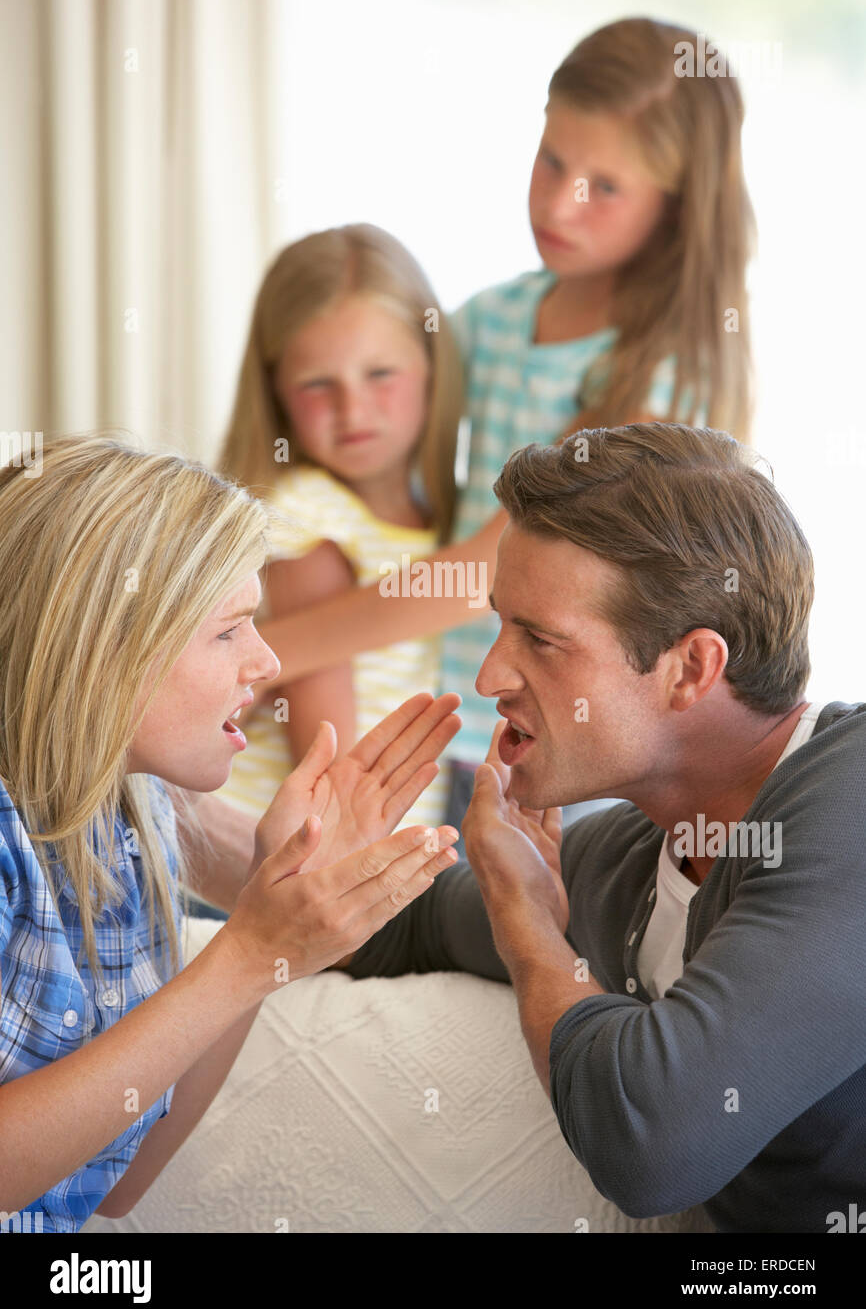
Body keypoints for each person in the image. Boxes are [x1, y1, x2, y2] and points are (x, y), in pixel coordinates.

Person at [232, 17, 757, 847]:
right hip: (461, 727)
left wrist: (259, 650)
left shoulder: (658, 377)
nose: (558, 202)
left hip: (575, 741)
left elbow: (482, 569)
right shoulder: (494, 320)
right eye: (553, 160)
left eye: (604, 186)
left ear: (675, 208)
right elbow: (380, 399)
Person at [337, 423, 866, 1235]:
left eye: (541, 641)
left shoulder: (853, 800)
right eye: (499, 626)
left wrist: (527, 927)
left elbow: (654, 1145)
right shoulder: (623, 860)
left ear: (691, 668)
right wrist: (206, 829)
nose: (489, 677)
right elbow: (396, 928)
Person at [0, 435, 460, 1233]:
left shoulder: (127, 827)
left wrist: (267, 914)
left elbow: (112, 1186)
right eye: (229, 632)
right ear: (103, 646)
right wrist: (245, 954)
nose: (267, 662)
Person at [212, 224, 463, 833]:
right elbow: (326, 760)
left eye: (380, 374)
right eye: (319, 384)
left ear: (432, 366)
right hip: (289, 854)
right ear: (275, 390)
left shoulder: (447, 516)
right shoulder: (307, 516)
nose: (353, 411)